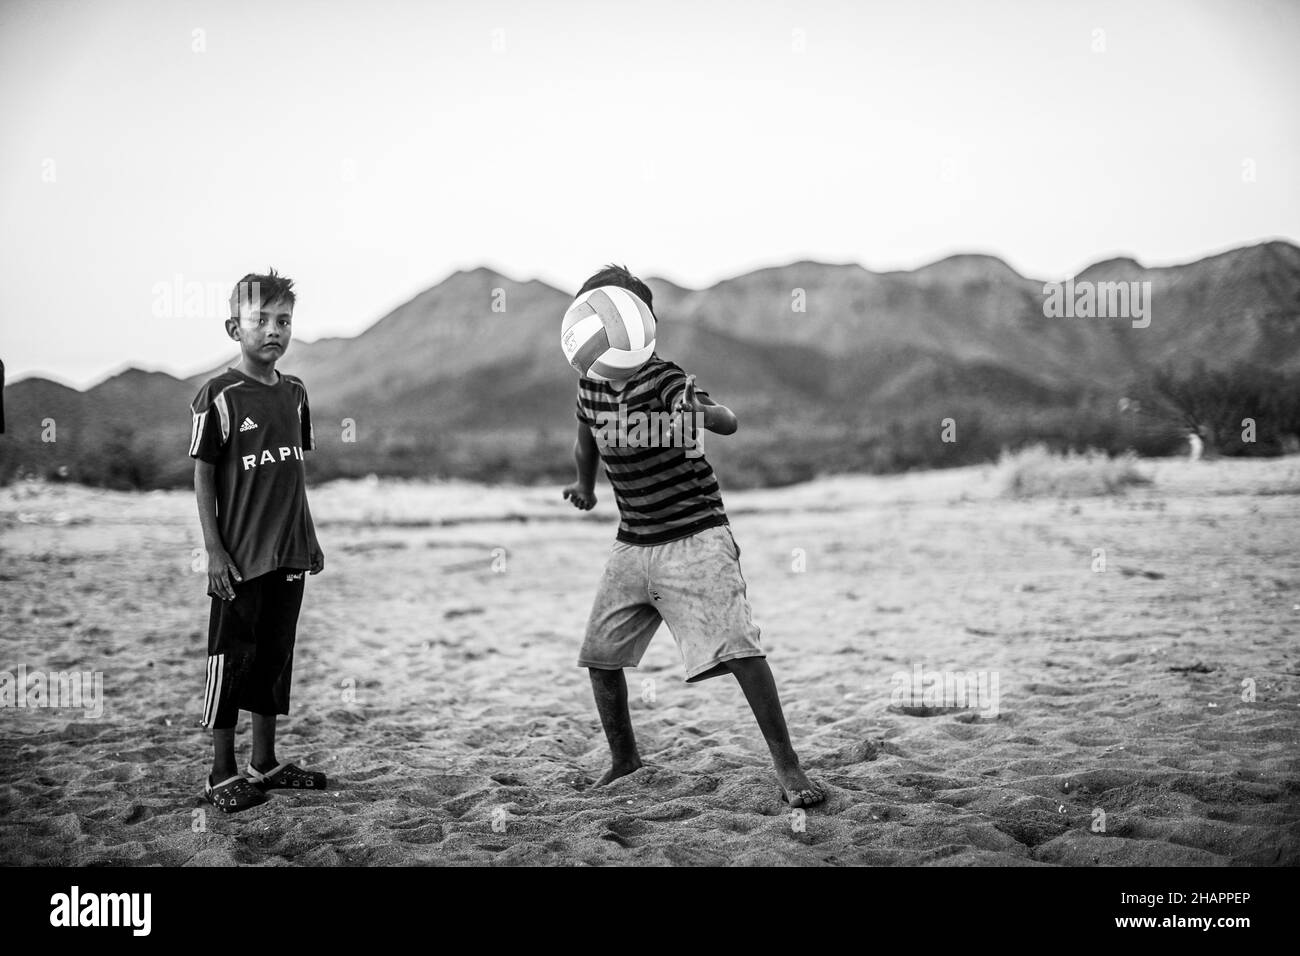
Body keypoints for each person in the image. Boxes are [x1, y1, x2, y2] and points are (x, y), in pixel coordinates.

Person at [563, 264, 825, 807]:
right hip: (633, 542)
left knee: (737, 649)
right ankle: (624, 758)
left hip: (696, 535)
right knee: (601, 656)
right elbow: (585, 439)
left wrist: (698, 411)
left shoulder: (665, 378)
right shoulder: (589, 384)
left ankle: (788, 766)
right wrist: (584, 486)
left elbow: (728, 421)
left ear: (641, 321)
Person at [189, 268, 326, 813]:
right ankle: (221, 772)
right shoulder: (218, 395)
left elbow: (292, 474)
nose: (274, 329)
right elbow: (203, 474)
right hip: (240, 558)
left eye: (284, 320)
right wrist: (214, 550)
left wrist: (308, 537)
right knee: (232, 660)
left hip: (288, 552)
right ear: (233, 327)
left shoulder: (294, 394)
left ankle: (263, 763)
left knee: (273, 658)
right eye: (261, 320)